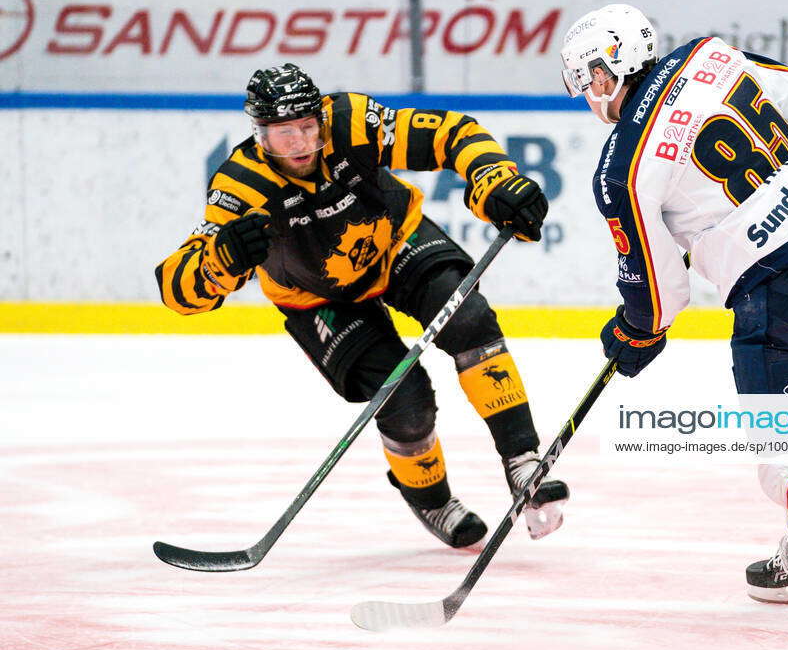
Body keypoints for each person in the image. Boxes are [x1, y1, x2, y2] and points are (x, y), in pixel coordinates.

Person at [560, 4, 788, 639]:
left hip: (786, 286)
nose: (593, 95)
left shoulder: (622, 165)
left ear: (622, 63)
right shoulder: (710, 56)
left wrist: (635, 332)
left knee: (782, 448)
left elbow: (658, 292)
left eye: (596, 78)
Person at [155, 63, 568, 549]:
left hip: (395, 244)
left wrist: (493, 180)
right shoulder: (241, 188)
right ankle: (431, 499)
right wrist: (221, 261)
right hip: (317, 299)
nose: (301, 144)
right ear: (259, 133)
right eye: (284, 134)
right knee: (405, 398)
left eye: (308, 127)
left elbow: (451, 133)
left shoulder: (350, 120)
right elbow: (175, 288)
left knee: (470, 321)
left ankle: (523, 463)